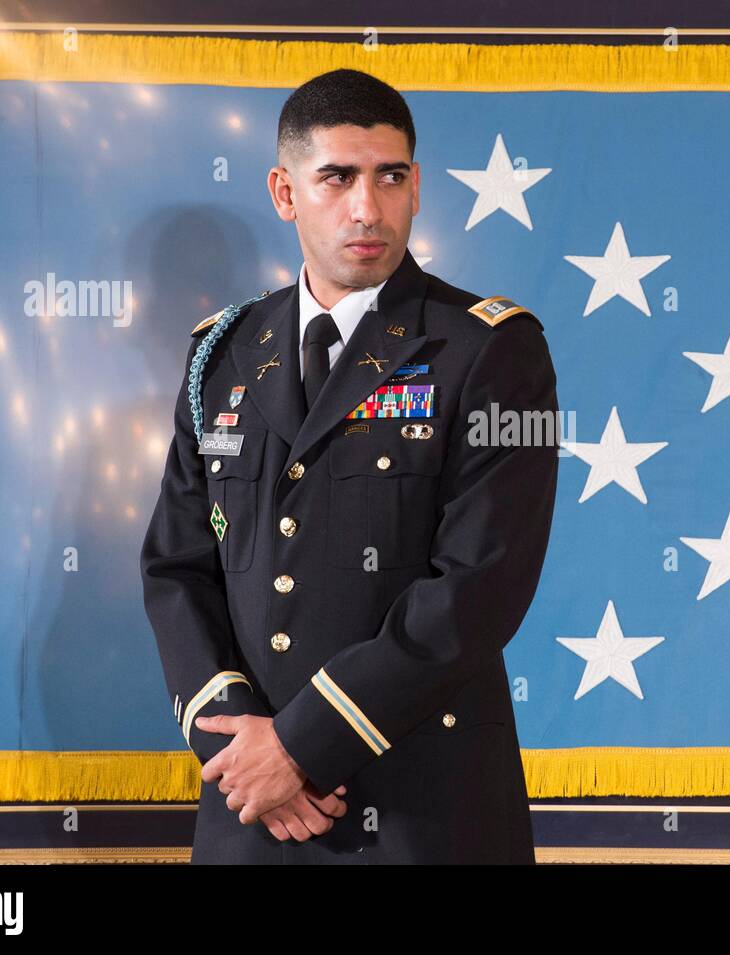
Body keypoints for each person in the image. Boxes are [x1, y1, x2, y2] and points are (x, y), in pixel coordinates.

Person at [139, 68, 560, 864]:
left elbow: (480, 587)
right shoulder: (222, 354)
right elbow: (177, 568)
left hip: (421, 815)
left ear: (417, 186)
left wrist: (300, 746)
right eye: (337, 177)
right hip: (251, 814)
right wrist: (239, 747)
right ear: (284, 191)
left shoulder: (489, 350)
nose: (368, 207)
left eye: (390, 176)